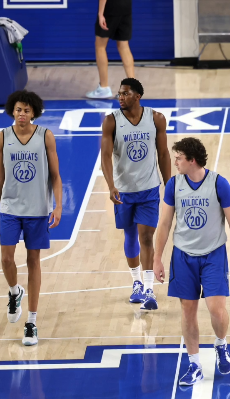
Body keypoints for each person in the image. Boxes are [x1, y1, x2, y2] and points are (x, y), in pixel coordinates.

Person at [153, 137, 230, 385]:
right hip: (183, 256)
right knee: (188, 309)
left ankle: (221, 345)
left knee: (216, 309)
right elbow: (164, 224)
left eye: (179, 158)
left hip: (214, 255)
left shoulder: (219, 183)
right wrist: (157, 259)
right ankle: (194, 364)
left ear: (191, 160)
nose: (175, 162)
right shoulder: (174, 185)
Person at [0, 90, 63, 346]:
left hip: (38, 210)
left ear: (34, 113)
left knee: (33, 261)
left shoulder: (45, 136)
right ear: (12, 110)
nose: (22, 114)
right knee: (6, 257)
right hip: (9, 208)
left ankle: (31, 322)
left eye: (27, 110)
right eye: (19, 109)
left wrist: (58, 206)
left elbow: (56, 175)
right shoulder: (2, 137)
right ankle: (14, 291)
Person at [100, 78, 171, 309]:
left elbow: (163, 153)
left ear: (137, 96)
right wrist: (111, 185)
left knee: (147, 237)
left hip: (149, 189)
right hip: (124, 191)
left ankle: (149, 289)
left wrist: (168, 184)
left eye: (125, 93)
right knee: (130, 236)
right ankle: (136, 283)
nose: (120, 97)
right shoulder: (111, 122)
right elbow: (106, 157)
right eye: (119, 94)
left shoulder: (156, 118)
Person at [86, 0, 136, 99]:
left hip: (110, 7)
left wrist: (101, 13)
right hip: (126, 6)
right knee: (124, 46)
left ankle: (103, 88)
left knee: (100, 46)